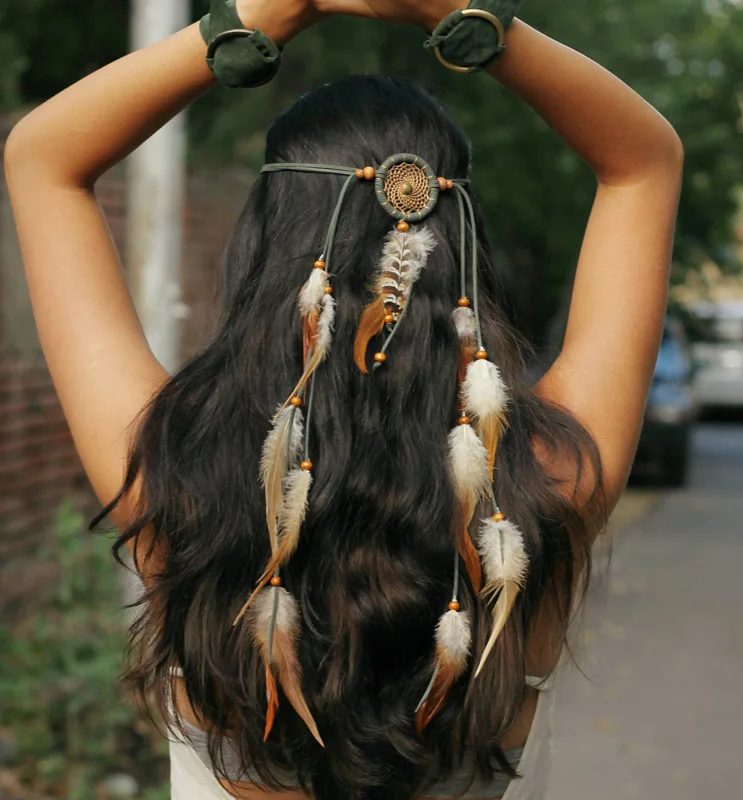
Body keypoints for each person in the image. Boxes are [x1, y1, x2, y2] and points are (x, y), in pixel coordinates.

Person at [4, 0, 682, 798]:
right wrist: (475, 23)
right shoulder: (544, 483)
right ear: (463, 254)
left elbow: (41, 156)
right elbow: (645, 161)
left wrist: (254, 18)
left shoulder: (176, 481)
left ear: (264, 247)